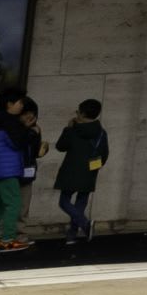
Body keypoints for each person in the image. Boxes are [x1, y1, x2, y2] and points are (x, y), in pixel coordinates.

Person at [0, 92, 40, 254]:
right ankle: (8, 240)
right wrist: (31, 131)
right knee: (14, 204)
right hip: (8, 169)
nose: (21, 106)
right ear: (10, 104)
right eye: (19, 103)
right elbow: (18, 143)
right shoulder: (9, 122)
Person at [52, 97, 110, 248]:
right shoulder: (101, 132)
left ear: (82, 114)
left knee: (64, 202)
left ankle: (84, 224)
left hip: (70, 170)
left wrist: (68, 128)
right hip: (90, 171)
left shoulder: (74, 130)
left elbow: (60, 146)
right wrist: (94, 165)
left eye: (78, 111)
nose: (76, 114)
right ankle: (72, 234)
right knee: (80, 203)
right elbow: (104, 154)